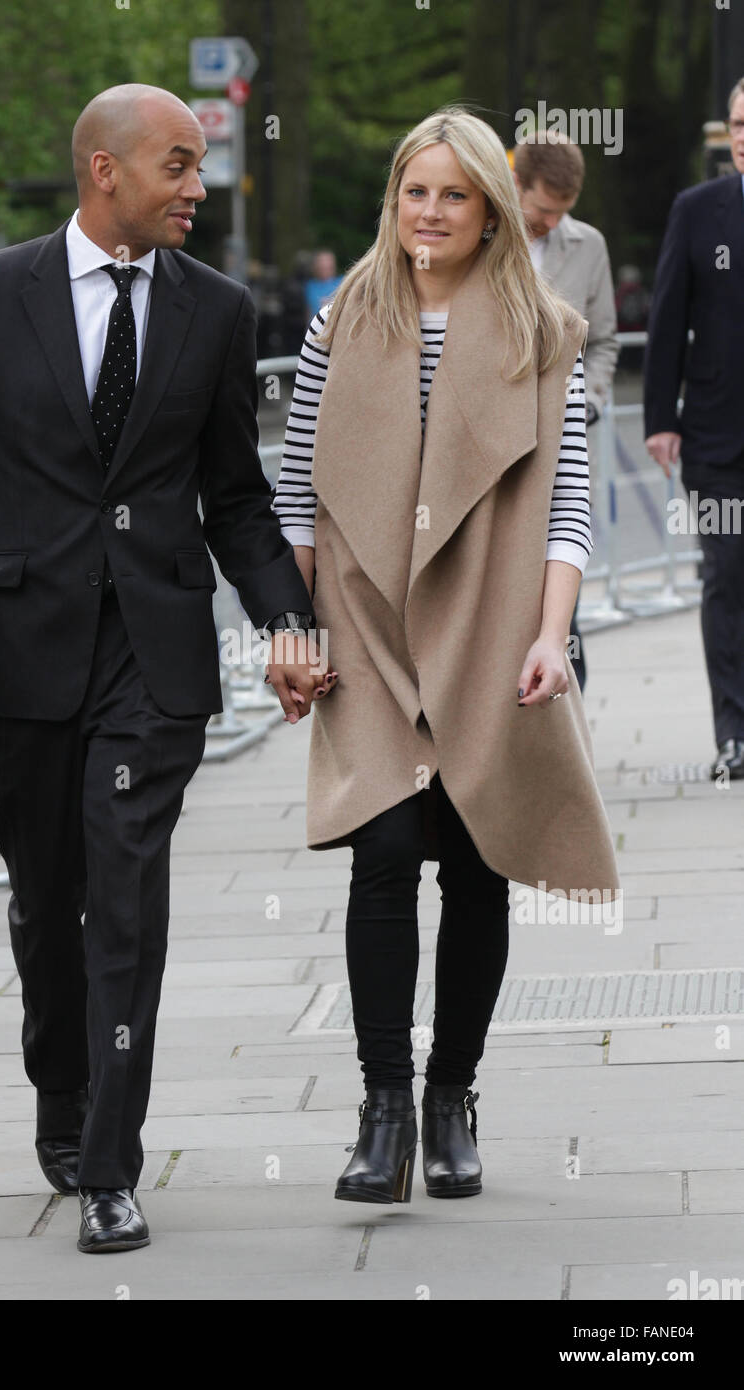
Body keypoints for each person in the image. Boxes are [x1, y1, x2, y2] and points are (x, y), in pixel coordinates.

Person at [0, 83, 328, 1253]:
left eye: (199, 165)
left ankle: (111, 1163)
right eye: (178, 166)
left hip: (156, 656)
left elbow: (235, 497)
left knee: (125, 902)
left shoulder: (220, 310)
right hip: (23, 653)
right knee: (47, 905)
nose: (198, 186)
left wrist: (290, 624)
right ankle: (60, 1088)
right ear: (106, 173)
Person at [270, 105, 619, 1207]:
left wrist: (550, 637)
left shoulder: (541, 331)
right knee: (381, 854)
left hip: (490, 627)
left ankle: (452, 1092)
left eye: (453, 195)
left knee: (476, 866)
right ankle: (382, 1106)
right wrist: (295, 628)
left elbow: (567, 502)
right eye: (414, 192)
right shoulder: (342, 320)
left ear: (489, 211)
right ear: (395, 199)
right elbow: (294, 496)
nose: (430, 212)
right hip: (367, 630)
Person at [644, 76, 744, 782]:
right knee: (725, 578)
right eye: (737, 124)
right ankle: (733, 734)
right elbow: (665, 317)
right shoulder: (696, 209)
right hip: (715, 438)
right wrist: (658, 419)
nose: (743, 137)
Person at [511, 132, 620, 692]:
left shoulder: (589, 246)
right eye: (544, 209)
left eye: (564, 212)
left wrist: (592, 401)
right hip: (493, 447)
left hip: (560, 451)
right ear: (515, 184)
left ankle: (562, 734)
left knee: (561, 603)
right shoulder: (481, 238)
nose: (553, 222)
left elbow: (603, 340)